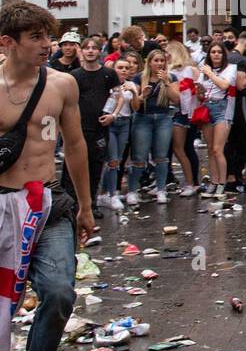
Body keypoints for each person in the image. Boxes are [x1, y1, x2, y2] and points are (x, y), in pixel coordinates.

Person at [0, 2, 95, 351]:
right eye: (36, 37)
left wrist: (86, 206)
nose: (47, 45)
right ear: (8, 42)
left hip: (47, 204)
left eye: (49, 36)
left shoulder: (61, 85)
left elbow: (74, 146)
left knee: (58, 293)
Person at [65, 35, 119, 218]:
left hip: (99, 129)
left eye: (94, 48)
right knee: (72, 167)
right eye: (86, 48)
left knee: (95, 168)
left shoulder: (108, 74)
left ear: (99, 51)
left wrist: (113, 115)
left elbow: (117, 95)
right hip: (77, 128)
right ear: (81, 51)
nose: (90, 51)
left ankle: (91, 204)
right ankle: (72, 205)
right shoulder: (74, 76)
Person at [126, 49, 179, 206]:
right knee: (139, 157)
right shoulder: (139, 78)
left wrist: (166, 83)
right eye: (156, 60)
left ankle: (161, 189)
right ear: (149, 62)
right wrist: (142, 95)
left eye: (162, 61)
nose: (159, 64)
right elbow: (135, 106)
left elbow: (176, 100)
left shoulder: (171, 77)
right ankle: (132, 190)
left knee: (161, 157)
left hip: (163, 118)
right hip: (143, 118)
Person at [196, 41, 241, 193]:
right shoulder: (204, 70)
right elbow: (201, 94)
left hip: (223, 108)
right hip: (207, 107)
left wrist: (209, 73)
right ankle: (214, 181)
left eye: (219, 52)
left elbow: (224, 85)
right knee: (210, 149)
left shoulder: (230, 68)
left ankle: (222, 182)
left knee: (217, 149)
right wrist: (199, 89)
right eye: (213, 52)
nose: (216, 54)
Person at [97, 56, 136, 210]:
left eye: (126, 68)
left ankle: (105, 193)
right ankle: (112, 195)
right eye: (120, 67)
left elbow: (136, 106)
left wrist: (134, 92)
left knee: (118, 160)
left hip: (125, 122)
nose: (124, 70)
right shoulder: (106, 84)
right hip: (110, 124)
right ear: (113, 69)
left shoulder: (131, 84)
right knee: (112, 160)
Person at [164, 40, 201, 197]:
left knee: (183, 148)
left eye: (167, 52)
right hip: (185, 112)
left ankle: (191, 183)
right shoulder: (185, 70)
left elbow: (179, 97)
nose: (165, 55)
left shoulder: (185, 71)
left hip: (185, 113)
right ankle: (189, 182)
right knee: (181, 149)